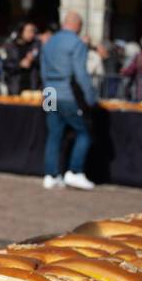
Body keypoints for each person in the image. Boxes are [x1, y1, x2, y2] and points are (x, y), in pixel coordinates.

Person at [39, 11, 98, 190]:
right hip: (66, 92)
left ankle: (51, 174)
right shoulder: (76, 43)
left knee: (54, 133)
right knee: (84, 132)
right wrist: (90, 98)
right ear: (78, 25)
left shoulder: (48, 42)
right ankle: (75, 171)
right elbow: (80, 73)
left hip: (49, 91)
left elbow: (43, 71)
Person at [3, 22, 41, 93]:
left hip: (32, 86)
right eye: (28, 31)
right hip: (16, 86)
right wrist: (20, 64)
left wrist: (34, 59)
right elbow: (6, 64)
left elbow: (43, 62)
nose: (31, 34)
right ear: (21, 32)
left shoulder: (36, 45)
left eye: (33, 31)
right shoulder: (11, 46)